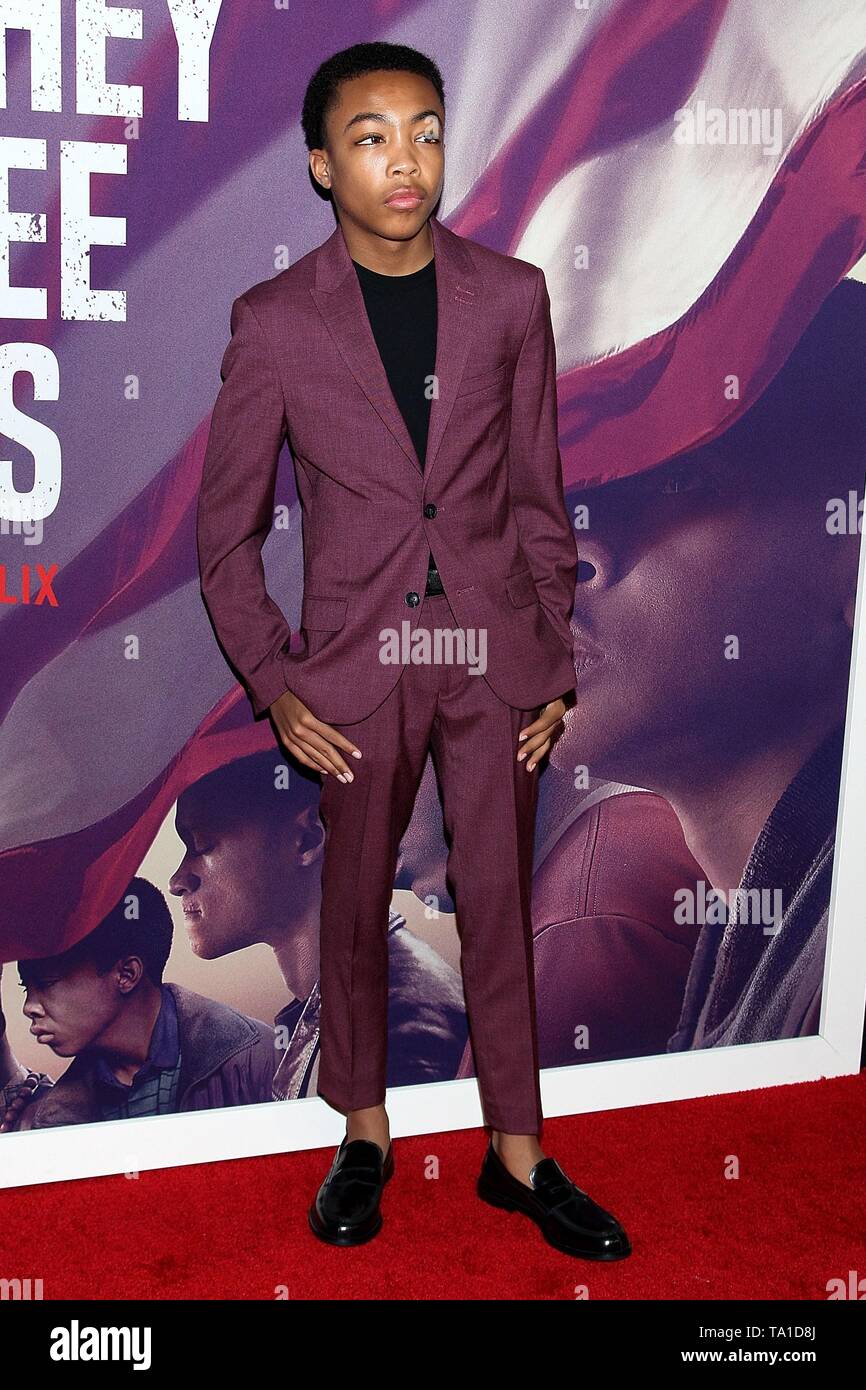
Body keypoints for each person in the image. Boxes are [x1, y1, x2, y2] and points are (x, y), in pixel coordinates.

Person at [197, 40, 630, 1260]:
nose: (406, 158)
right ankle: (365, 1132)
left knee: (500, 901)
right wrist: (278, 686)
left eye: (425, 130)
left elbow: (541, 505)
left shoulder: (510, 296)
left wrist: (552, 662)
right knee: (350, 908)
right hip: (352, 670)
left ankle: (518, 1152)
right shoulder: (275, 325)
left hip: (490, 656)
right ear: (322, 167)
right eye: (373, 135)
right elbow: (224, 538)